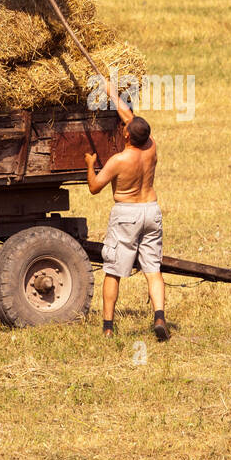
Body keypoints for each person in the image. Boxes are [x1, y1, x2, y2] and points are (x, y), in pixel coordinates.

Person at [85, 107, 168, 341]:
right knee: (153, 270)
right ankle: (159, 318)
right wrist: (112, 91)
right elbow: (132, 121)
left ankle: (108, 327)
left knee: (113, 271)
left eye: (125, 129)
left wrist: (90, 163)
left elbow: (94, 188)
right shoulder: (151, 147)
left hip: (126, 213)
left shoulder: (118, 160)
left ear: (127, 136)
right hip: (151, 210)